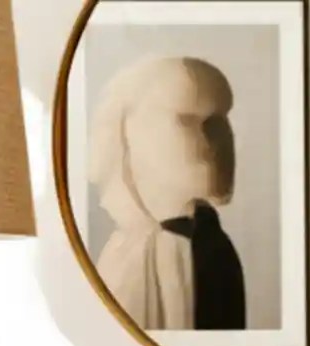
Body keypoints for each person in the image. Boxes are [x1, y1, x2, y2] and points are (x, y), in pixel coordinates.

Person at [89, 56, 246, 331]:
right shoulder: (128, 263)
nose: (211, 139)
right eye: (186, 121)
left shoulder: (215, 246)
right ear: (133, 133)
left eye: (217, 120)